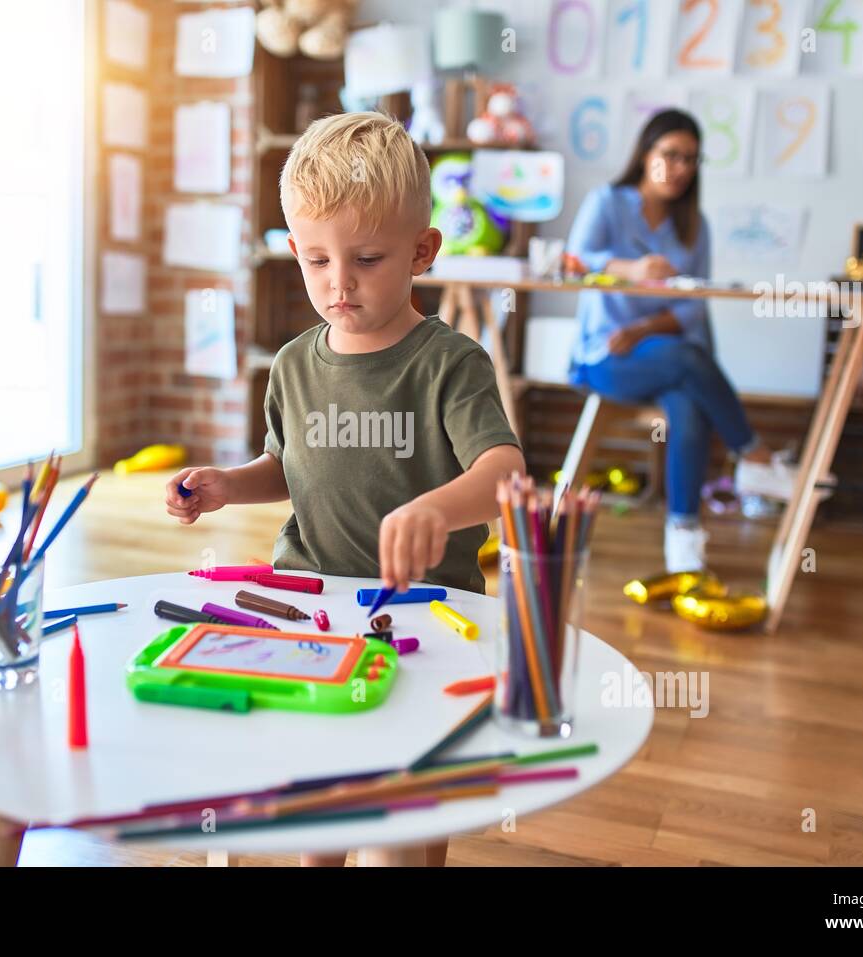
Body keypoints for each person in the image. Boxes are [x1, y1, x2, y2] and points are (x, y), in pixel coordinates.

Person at [165, 111, 525, 866]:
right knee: (314, 802)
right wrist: (229, 484)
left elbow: (504, 475)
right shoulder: (293, 365)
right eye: (317, 260)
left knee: (404, 818)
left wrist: (436, 504)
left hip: (428, 618)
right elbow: (290, 468)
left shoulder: (450, 364)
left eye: (366, 257)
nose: (339, 283)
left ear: (423, 251)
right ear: (293, 250)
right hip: (310, 605)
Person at [565, 108, 800, 573]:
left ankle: (684, 542)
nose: (680, 168)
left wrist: (641, 329)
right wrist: (632, 270)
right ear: (646, 153)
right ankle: (752, 456)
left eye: (691, 159)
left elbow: (694, 306)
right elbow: (574, 261)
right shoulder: (607, 203)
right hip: (605, 357)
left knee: (687, 402)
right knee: (688, 359)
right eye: (670, 155)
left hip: (661, 353)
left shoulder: (695, 226)